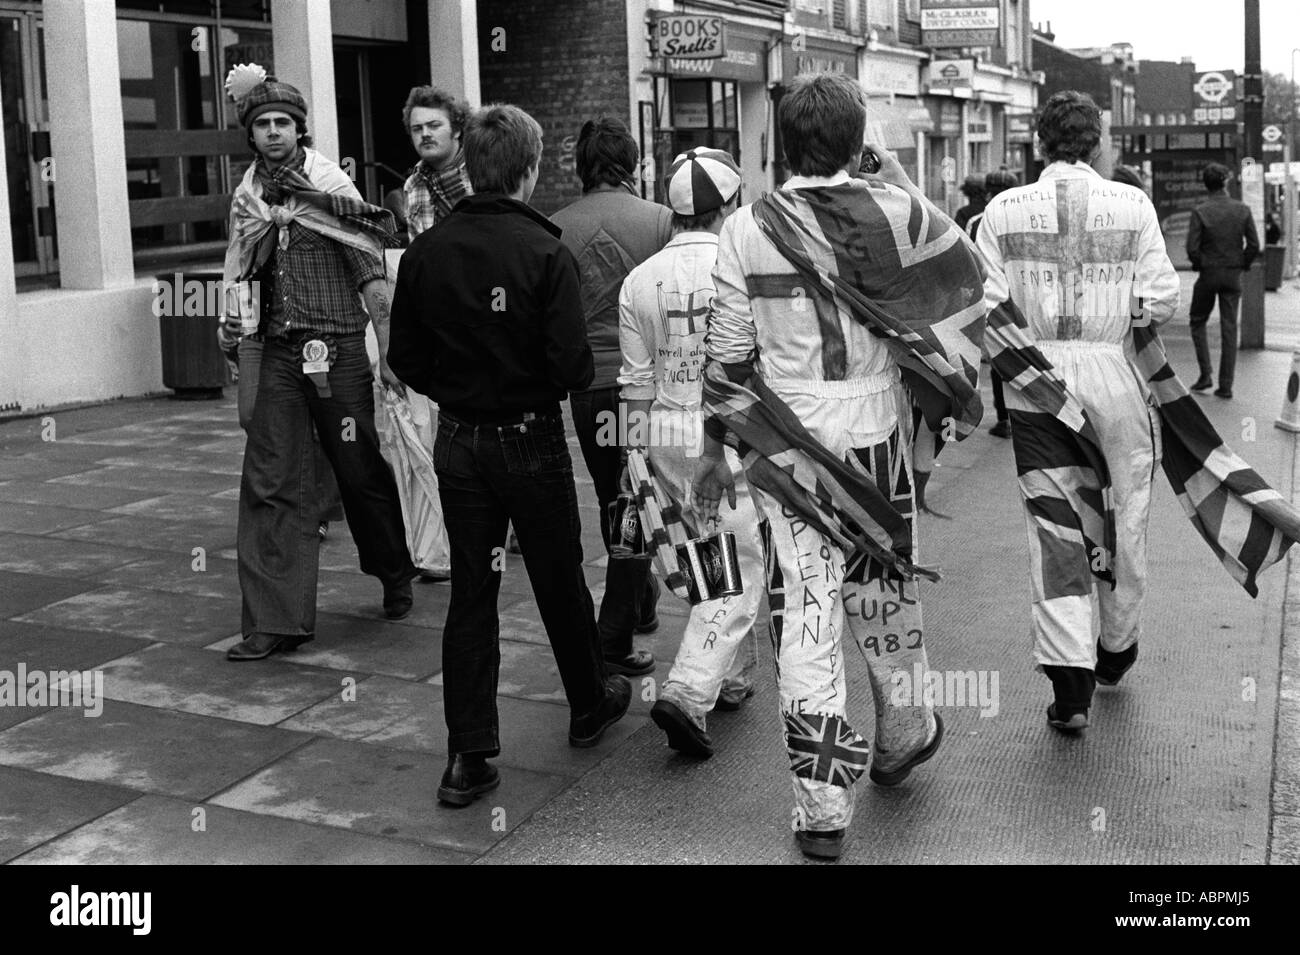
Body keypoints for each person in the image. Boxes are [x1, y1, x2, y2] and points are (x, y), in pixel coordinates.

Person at [692, 73, 987, 860]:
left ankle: (822, 807)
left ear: (781, 147)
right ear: (859, 145)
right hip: (877, 433)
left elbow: (726, 357)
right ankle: (904, 730)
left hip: (787, 442)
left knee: (805, 618)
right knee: (885, 589)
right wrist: (895, 178)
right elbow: (964, 274)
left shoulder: (745, 228)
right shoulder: (894, 212)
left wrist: (715, 451)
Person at [388, 104, 632, 805]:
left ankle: (467, 754)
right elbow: (574, 367)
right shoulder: (544, 252)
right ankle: (588, 702)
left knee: (473, 591)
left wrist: (458, 388)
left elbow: (405, 357)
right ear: (528, 170)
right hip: (529, 434)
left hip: (460, 437)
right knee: (558, 575)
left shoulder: (428, 251)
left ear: (469, 166)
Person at [974, 90, 1181, 732]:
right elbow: (1162, 298)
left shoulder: (1002, 210)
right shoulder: (1133, 204)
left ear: (1039, 142)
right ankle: (1116, 647)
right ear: (1097, 143)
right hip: (1115, 377)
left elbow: (986, 306)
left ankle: (1071, 688)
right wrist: (1118, 312)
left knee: (1055, 525)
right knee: (1126, 510)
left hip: (1039, 385)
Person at [221, 70, 418, 662]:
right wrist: (234, 328)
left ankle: (393, 569)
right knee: (269, 480)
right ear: (251, 135)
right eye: (262, 124)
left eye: (283, 122)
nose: (273, 132)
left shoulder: (329, 184)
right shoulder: (248, 198)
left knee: (357, 469)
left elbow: (370, 269)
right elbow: (240, 267)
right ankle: (274, 621)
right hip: (277, 352)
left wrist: (390, 349)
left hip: (337, 351)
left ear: (299, 129)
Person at [617, 147, 762, 758]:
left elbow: (635, 382)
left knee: (709, 552)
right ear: (730, 203)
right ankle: (689, 689)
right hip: (723, 434)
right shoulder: (742, 265)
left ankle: (733, 678)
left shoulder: (639, 278)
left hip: (664, 431)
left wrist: (632, 461)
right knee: (740, 567)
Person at [551, 117, 673, 677]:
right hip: (645, 387)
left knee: (613, 496)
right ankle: (620, 623)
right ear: (632, 163)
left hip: (590, 389)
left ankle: (636, 601)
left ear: (580, 166)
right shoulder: (661, 221)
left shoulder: (556, 227)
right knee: (642, 498)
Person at [1185, 161, 1260, 400]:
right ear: (1226, 182)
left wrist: (1201, 264)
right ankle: (1226, 385)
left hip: (1208, 274)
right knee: (1229, 328)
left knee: (1197, 321)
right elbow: (1254, 245)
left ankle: (1205, 374)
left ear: (1206, 185)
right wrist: (1242, 264)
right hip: (1232, 274)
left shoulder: (1200, 211)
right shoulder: (1242, 210)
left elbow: (1192, 248)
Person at [966, 167, 1020, 439]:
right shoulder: (1025, 214)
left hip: (992, 302)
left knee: (999, 361)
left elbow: (968, 259)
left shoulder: (977, 221)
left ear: (988, 193)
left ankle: (1004, 419)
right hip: (1025, 298)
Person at [401, 86, 471, 243]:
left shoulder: (479, 174)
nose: (425, 134)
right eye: (417, 129)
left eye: (434, 125)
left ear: (457, 130)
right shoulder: (413, 185)